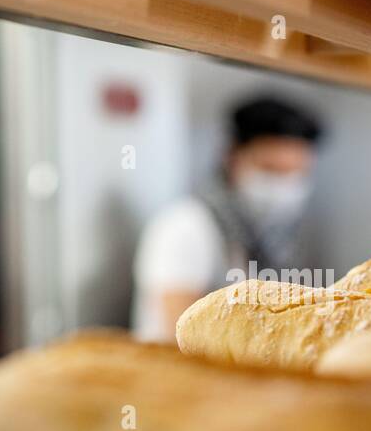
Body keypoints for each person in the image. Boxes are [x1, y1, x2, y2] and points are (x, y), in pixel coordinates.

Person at [132, 95, 324, 341]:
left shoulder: (277, 235)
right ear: (232, 157)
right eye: (270, 169)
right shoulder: (186, 226)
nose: (283, 186)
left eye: (296, 173)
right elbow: (180, 337)